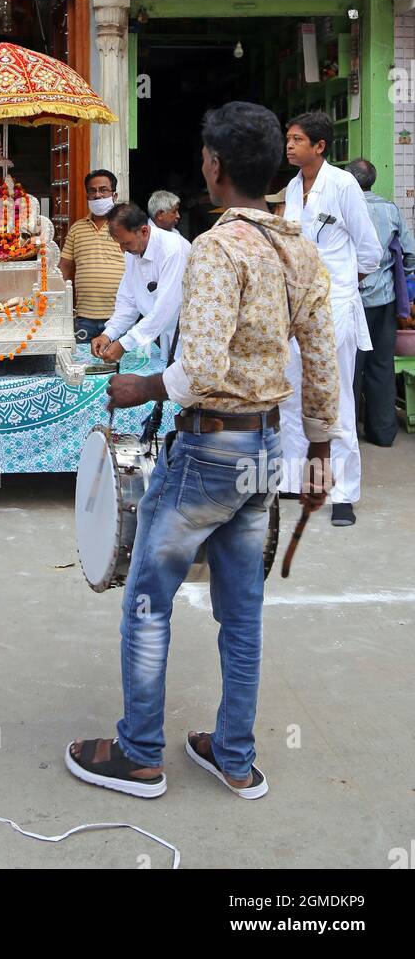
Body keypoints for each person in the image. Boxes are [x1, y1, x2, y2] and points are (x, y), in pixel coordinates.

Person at [66, 102, 340, 802]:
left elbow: (202, 369)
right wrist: (318, 456)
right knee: (241, 610)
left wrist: (143, 385)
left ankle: (139, 754)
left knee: (148, 602)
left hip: (209, 447)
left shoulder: (219, 247)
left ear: (214, 168)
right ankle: (235, 755)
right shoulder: (299, 248)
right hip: (264, 447)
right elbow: (321, 361)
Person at [280, 112, 382, 526]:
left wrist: (339, 284)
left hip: (335, 305)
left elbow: (370, 252)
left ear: (320, 146)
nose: (289, 145)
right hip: (294, 307)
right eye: (288, 138)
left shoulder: (343, 186)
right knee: (289, 393)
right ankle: (293, 479)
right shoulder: (290, 187)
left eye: (297, 139)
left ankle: (343, 493)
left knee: (334, 399)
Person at [346, 158, 415, 447]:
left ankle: (348, 435)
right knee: (381, 365)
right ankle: (383, 432)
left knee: (350, 367)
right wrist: (396, 280)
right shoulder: (390, 209)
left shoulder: (343, 207)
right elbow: (410, 255)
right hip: (384, 301)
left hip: (351, 299)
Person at [91, 202, 189, 364]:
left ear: (144, 231)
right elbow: (128, 301)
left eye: (126, 243)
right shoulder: (133, 251)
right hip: (161, 336)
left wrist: (124, 343)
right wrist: (109, 334)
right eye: (120, 244)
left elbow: (165, 309)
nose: (123, 250)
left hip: (185, 338)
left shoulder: (173, 250)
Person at [59, 170, 125, 343]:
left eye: (103, 190)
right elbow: (64, 267)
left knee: (121, 367)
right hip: (84, 319)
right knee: (83, 367)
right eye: (92, 191)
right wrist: (60, 305)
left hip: (118, 317)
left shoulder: (125, 227)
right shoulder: (77, 228)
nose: (97, 195)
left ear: (114, 194)